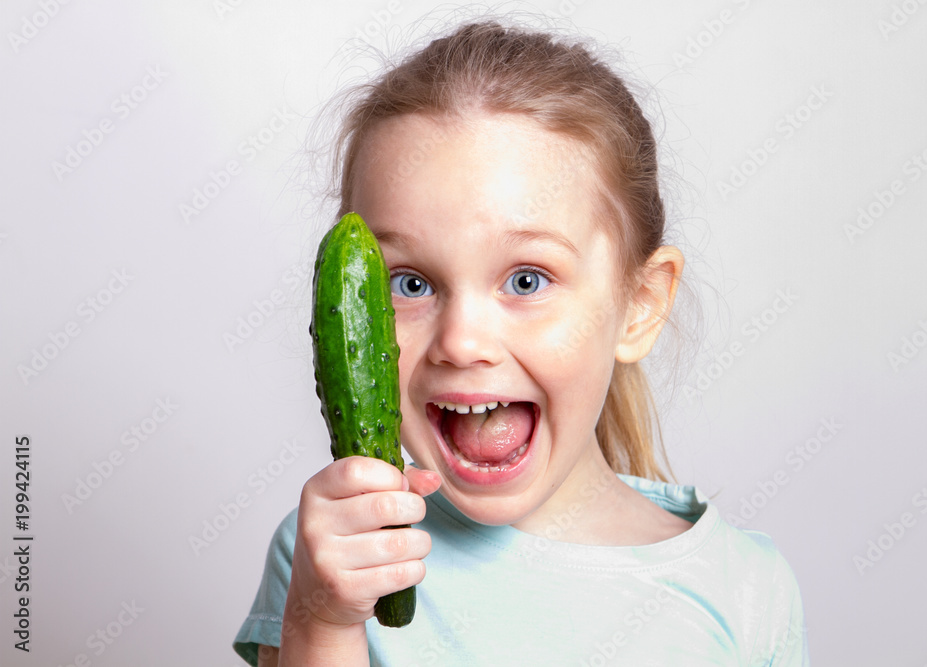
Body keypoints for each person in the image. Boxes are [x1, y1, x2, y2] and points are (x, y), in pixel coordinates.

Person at [234, 15, 808, 666]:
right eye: (412, 284)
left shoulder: (742, 590)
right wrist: (324, 620)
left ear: (639, 306)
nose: (463, 341)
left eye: (527, 279)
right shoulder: (335, 556)